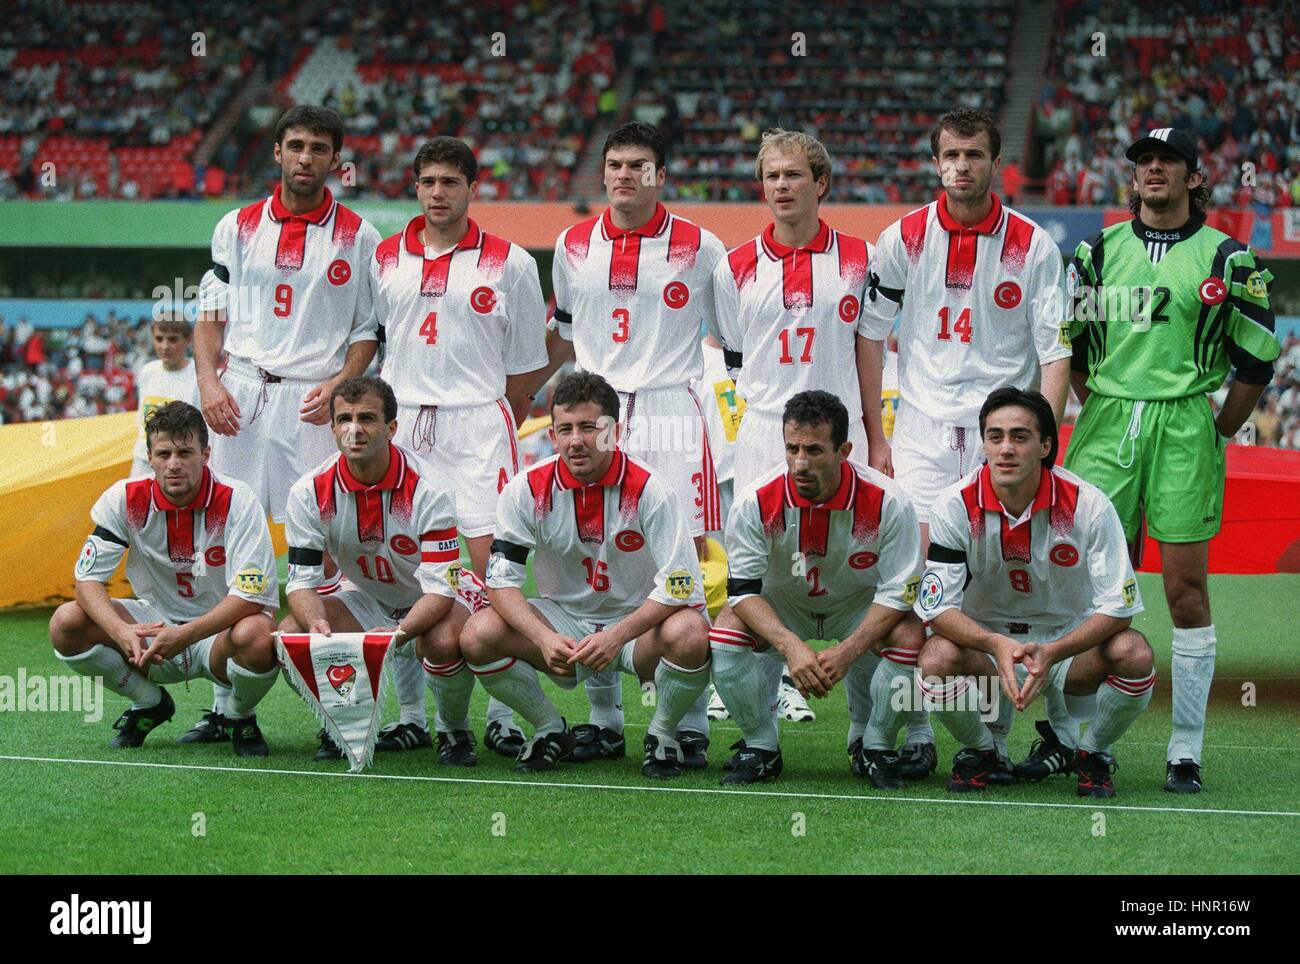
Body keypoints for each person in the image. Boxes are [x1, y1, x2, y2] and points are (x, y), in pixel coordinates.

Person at [1064, 127, 1280, 793]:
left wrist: (1217, 426)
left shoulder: (1229, 258)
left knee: (1185, 591)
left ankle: (1184, 749)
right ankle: (1079, 741)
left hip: (1186, 422)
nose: (1154, 170)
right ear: (1134, 178)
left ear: (1193, 177)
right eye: (1144, 162)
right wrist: (1099, 406)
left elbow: (1256, 357)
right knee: (1100, 592)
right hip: (1105, 421)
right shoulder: (1097, 252)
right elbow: (1072, 350)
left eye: (1169, 161)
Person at [521, 122, 727, 763]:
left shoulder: (702, 246)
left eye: (640, 165)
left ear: (661, 175)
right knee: (593, 545)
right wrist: (522, 397)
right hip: (592, 408)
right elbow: (561, 332)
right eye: (615, 164)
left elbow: (726, 337)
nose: (625, 175)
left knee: (684, 553)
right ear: (603, 171)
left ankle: (686, 719)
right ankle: (607, 718)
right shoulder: (572, 243)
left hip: (669, 406)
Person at [189, 105, 382, 743]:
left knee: (324, 550)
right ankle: (228, 709)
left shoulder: (360, 237)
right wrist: (209, 380)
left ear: (336, 161)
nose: (306, 158)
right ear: (276, 151)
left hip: (310, 401)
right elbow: (210, 312)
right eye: (296, 145)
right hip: (240, 392)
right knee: (229, 540)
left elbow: (365, 331)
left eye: (319, 148)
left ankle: (334, 706)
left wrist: (338, 383)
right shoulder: (235, 227)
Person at [371, 136, 545, 757]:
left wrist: (496, 411)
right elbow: (376, 340)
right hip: (407, 421)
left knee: (489, 566)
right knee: (406, 565)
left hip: (478, 425)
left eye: (450, 182)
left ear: (474, 188)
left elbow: (528, 362)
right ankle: (413, 714)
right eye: (427, 182)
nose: (438, 193)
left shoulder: (511, 263)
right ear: (415, 188)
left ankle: (503, 712)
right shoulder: (384, 257)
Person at [460, 372, 712, 779]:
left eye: (589, 428)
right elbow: (501, 582)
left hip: (637, 626)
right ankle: (549, 728)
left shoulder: (652, 490)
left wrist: (617, 636)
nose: (575, 440)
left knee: (691, 633)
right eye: (565, 429)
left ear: (615, 431)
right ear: (553, 434)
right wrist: (544, 639)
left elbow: (681, 584)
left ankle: (663, 732)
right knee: (477, 633)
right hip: (566, 622)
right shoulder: (524, 490)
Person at [710, 127, 879, 726]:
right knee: (760, 561)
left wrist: (877, 438)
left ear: (822, 183)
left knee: (851, 558)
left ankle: (869, 720)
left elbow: (870, 347)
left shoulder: (863, 260)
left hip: (843, 432)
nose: (781, 186)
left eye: (794, 175)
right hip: (764, 430)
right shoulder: (733, 267)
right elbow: (734, 355)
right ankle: (763, 684)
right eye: (772, 176)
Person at [916, 388, 1155, 798]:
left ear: (1045, 445)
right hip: (988, 643)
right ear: (984, 444)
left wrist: (1055, 651)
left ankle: (1092, 752)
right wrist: (994, 642)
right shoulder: (953, 506)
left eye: (1020, 437)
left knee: (1134, 653)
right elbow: (937, 610)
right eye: (995, 437)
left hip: (1068, 642)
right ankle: (983, 750)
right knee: (936, 656)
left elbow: (1120, 607)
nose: (1005, 449)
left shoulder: (1088, 505)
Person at [711, 391, 924, 786]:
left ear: (844, 449)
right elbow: (742, 591)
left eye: (814, 450)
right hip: (784, 603)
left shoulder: (889, 501)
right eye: (792, 448)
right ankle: (761, 746)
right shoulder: (756, 500)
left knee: (911, 633)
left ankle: (875, 746)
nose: (800, 463)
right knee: (725, 634)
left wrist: (847, 651)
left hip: (859, 603)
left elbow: (901, 592)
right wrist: (791, 645)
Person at [49, 402, 280, 755]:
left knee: (259, 634)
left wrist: (186, 634)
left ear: (206, 454)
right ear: (150, 457)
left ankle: (237, 715)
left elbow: (252, 597)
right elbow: (87, 581)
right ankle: (149, 702)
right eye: (164, 453)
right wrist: (120, 630)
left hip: (218, 633)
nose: (174, 464)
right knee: (66, 622)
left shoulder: (237, 500)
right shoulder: (125, 499)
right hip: (152, 627)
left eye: (185, 452)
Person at [279, 377, 484, 765]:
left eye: (367, 418)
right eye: (344, 419)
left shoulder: (429, 488)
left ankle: (453, 729)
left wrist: (398, 635)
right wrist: (317, 625)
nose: (354, 429)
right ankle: (344, 721)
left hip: (436, 597)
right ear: (332, 427)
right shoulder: (308, 492)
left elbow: (440, 591)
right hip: (368, 596)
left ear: (391, 428)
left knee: (440, 641)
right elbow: (302, 584)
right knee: (294, 634)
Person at [129, 312, 199, 479]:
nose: (165, 346)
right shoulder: (147, 372)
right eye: (159, 339)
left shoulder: (199, 375)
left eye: (173, 339)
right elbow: (141, 419)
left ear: (188, 340)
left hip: (178, 463)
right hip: (145, 459)